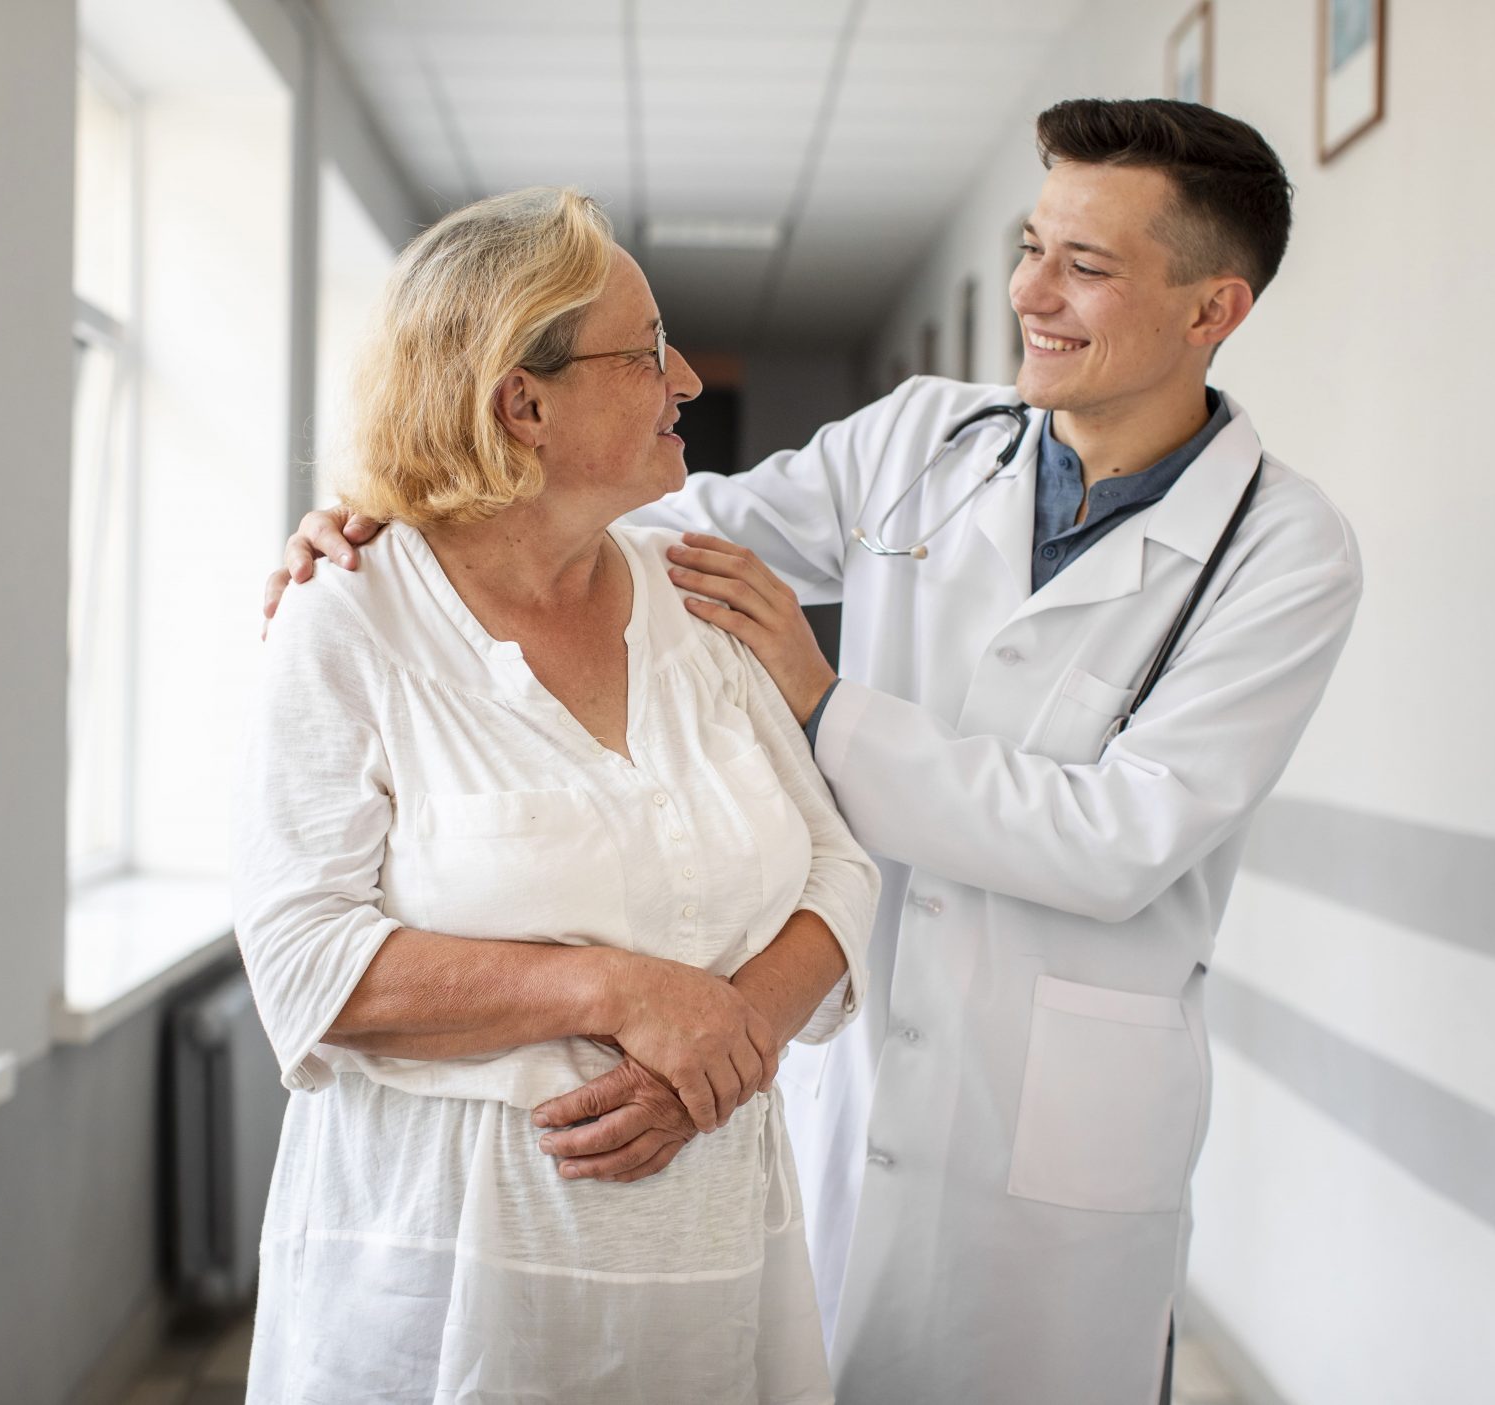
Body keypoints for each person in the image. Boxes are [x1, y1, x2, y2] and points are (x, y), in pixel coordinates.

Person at [267, 100, 1362, 1403]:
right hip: (845, 1079)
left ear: (1210, 310)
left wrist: (824, 702)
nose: (1031, 292)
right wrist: (397, 518)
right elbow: (649, 523)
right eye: (1032, 244)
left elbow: (1120, 839)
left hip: (1058, 1122)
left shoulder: (1283, 550)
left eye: (1087, 266)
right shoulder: (922, 441)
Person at [234, 186, 878, 1405]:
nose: (685, 377)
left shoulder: (696, 595)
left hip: (710, 1264)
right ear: (521, 402)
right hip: (448, 1281)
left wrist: (720, 1049)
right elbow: (304, 959)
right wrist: (621, 992)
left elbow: (839, 868)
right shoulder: (345, 617)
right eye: (644, 353)